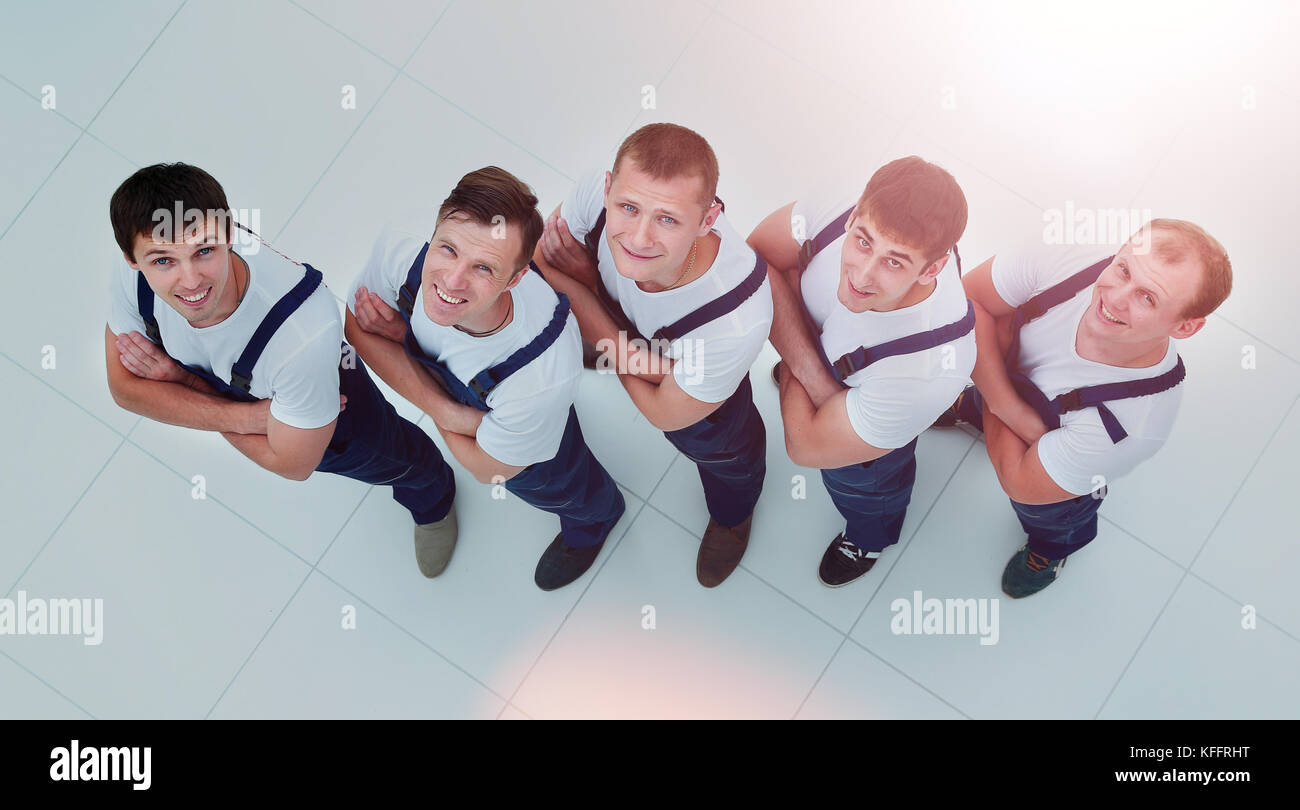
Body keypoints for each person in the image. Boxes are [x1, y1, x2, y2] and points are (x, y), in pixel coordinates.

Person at [105, 163, 458, 577]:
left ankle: (436, 498)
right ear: (132, 259)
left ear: (230, 235)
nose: (190, 281)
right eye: (164, 261)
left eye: (205, 251)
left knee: (394, 456)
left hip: (334, 404)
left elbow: (291, 464)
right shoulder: (133, 280)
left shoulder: (303, 340)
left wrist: (183, 390)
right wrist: (243, 413)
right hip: (259, 398)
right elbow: (124, 390)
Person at [345, 166, 626, 591]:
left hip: (528, 433)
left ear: (517, 278)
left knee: (565, 488)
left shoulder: (539, 377)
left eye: (483, 268)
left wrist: (410, 363)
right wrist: (447, 409)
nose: (451, 281)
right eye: (448, 249)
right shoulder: (404, 257)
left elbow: (486, 469)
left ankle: (596, 521)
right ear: (435, 231)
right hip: (497, 411)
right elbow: (356, 325)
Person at [937, 219, 1232, 597]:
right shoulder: (1066, 254)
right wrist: (1006, 405)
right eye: (1123, 269)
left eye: (1148, 298)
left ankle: (1049, 552)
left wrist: (993, 364)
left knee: (1051, 518)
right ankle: (976, 405)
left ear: (1185, 327)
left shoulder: (1134, 424)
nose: (1115, 296)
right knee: (989, 387)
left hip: (1062, 485)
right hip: (1028, 411)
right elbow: (963, 304)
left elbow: (1019, 482)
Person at [535, 123, 773, 588]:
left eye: (667, 219)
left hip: (704, 407)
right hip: (648, 341)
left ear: (708, 220)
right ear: (608, 188)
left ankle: (732, 516)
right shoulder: (598, 192)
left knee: (728, 460)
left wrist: (597, 317)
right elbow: (540, 262)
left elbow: (667, 413)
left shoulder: (734, 322)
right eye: (628, 208)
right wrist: (642, 361)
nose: (639, 237)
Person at [749, 156, 976, 586]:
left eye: (895, 262)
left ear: (933, 268)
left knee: (869, 492)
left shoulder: (920, 375)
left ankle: (869, 540)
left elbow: (805, 444)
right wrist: (816, 376)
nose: (862, 274)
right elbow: (757, 261)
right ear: (854, 214)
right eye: (863, 241)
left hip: (886, 421)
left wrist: (794, 339)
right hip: (859, 388)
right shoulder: (843, 196)